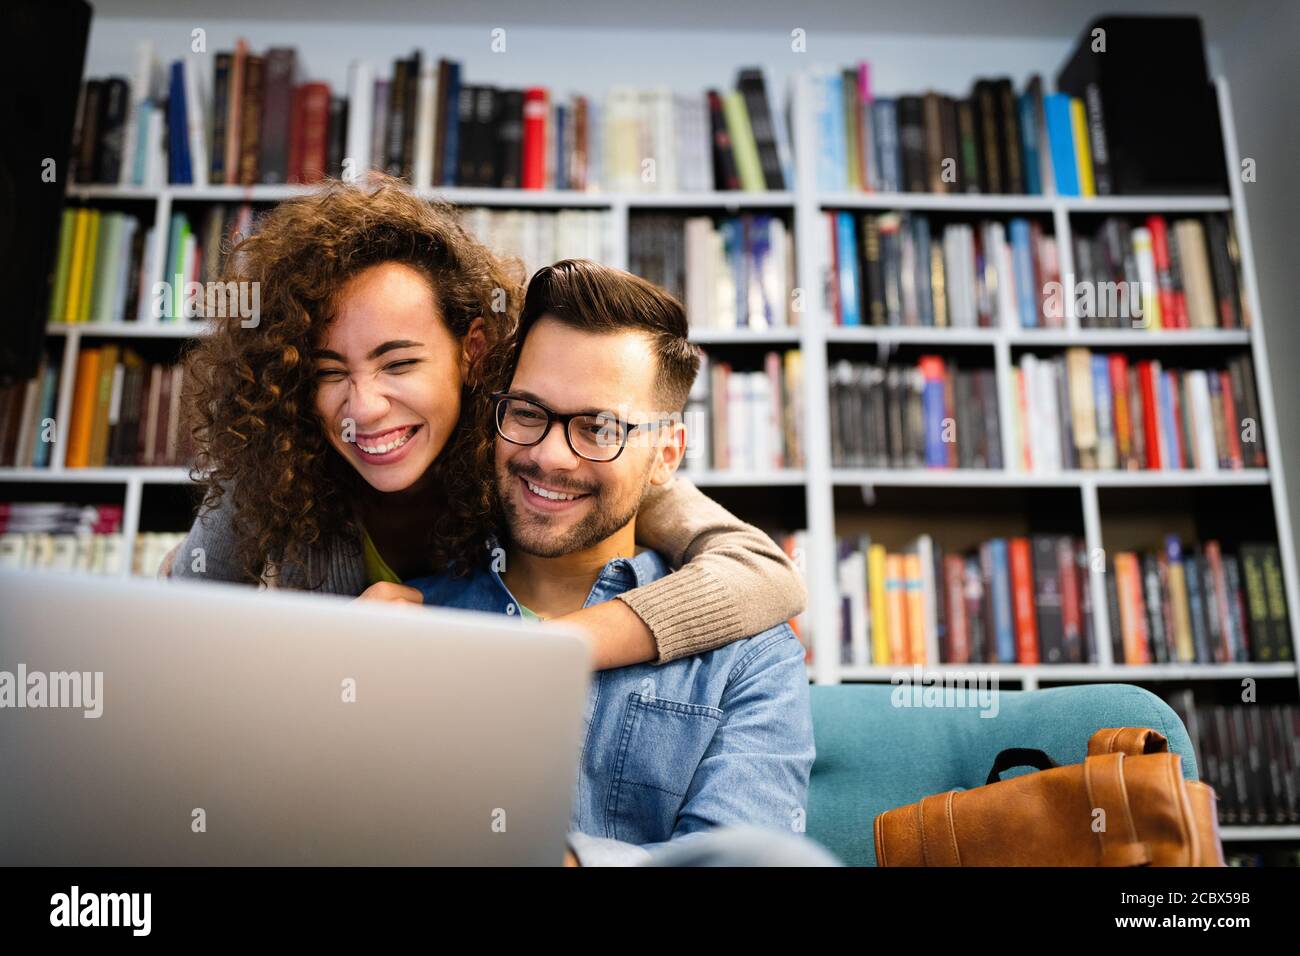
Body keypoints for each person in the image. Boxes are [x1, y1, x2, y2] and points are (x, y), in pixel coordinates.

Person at [168, 176, 805, 669]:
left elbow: (762, 572)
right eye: (329, 371)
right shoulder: (276, 475)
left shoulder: (530, 451)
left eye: (399, 363)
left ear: (471, 351)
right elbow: (173, 650)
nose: (362, 407)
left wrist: (544, 651)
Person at [411, 259, 836, 866]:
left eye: (599, 426)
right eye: (529, 412)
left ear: (666, 454)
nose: (551, 456)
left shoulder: (751, 656)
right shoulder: (406, 618)